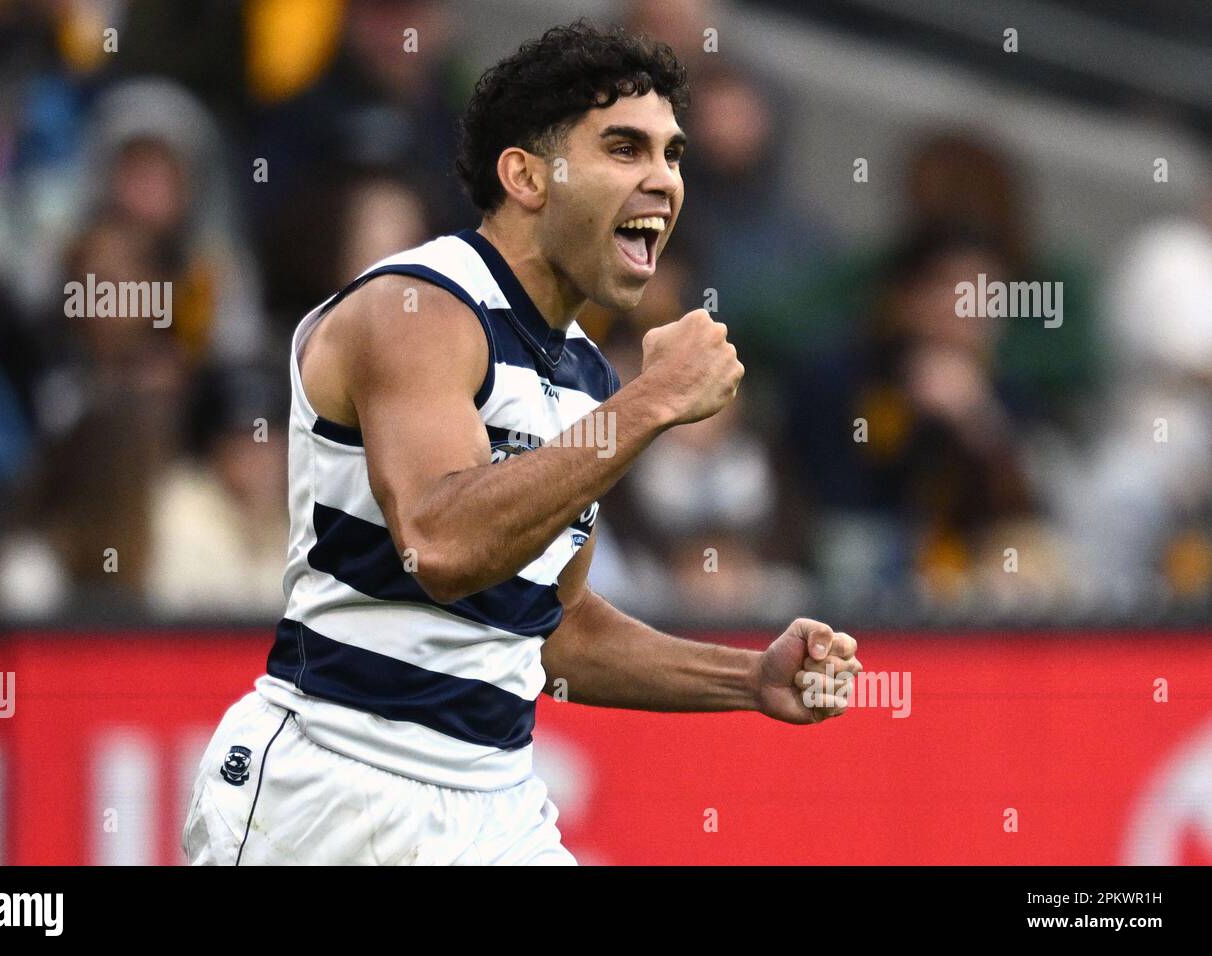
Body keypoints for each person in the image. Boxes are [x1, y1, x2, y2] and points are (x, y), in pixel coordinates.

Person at [184, 20, 861, 867]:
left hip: (496, 802)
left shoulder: (584, 375)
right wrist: (651, 403)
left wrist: (746, 679)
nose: (663, 180)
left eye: (674, 153)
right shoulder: (419, 307)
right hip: (335, 789)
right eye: (624, 148)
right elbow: (439, 540)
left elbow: (555, 630)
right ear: (527, 175)